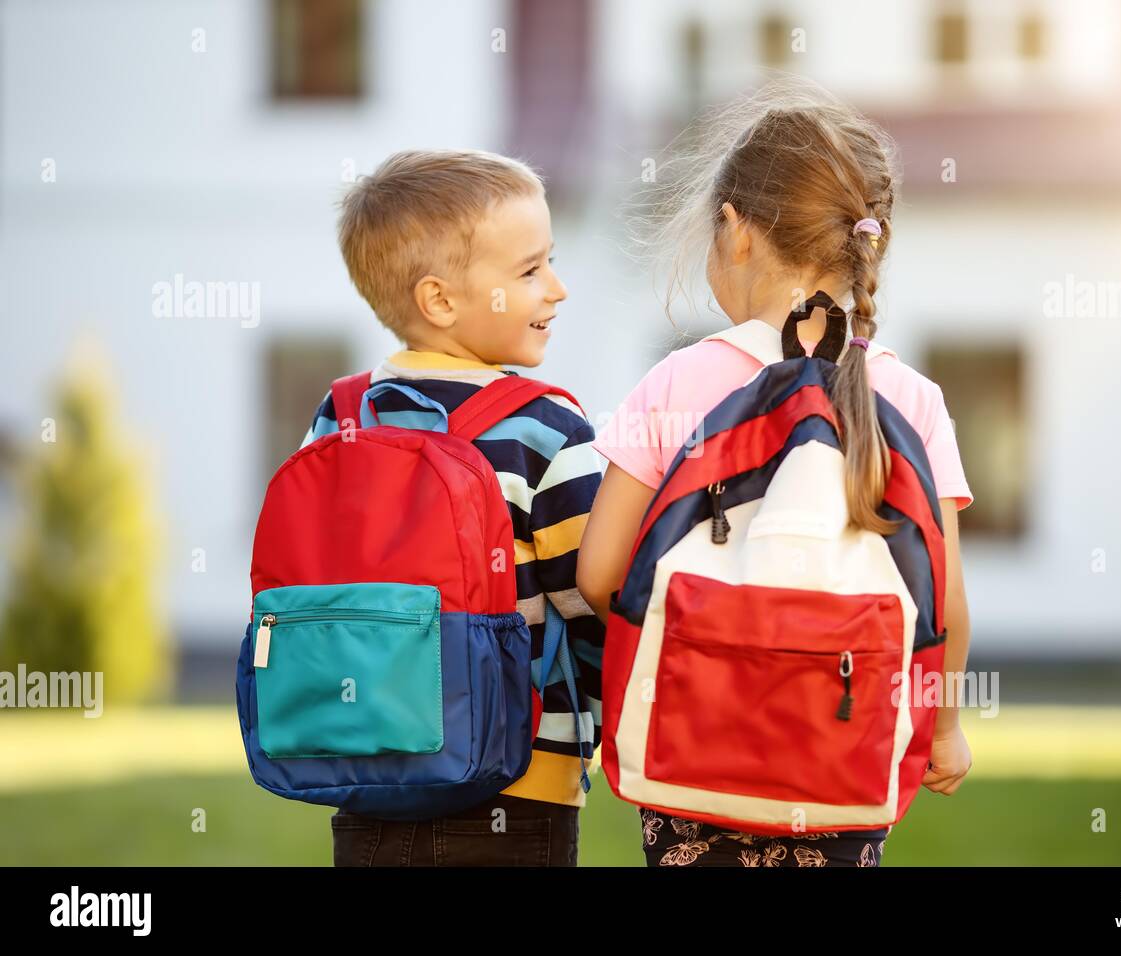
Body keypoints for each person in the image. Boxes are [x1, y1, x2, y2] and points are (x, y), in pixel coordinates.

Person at [577, 82, 974, 867]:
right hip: (842, 758)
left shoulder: (678, 382)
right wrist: (947, 728)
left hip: (695, 755)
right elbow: (945, 604)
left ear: (735, 230)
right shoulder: (913, 400)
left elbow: (601, 574)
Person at [304, 150, 604, 866]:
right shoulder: (546, 434)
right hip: (521, 785)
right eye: (530, 271)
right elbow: (596, 596)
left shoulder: (338, 418)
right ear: (440, 300)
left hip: (363, 770)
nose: (557, 289)